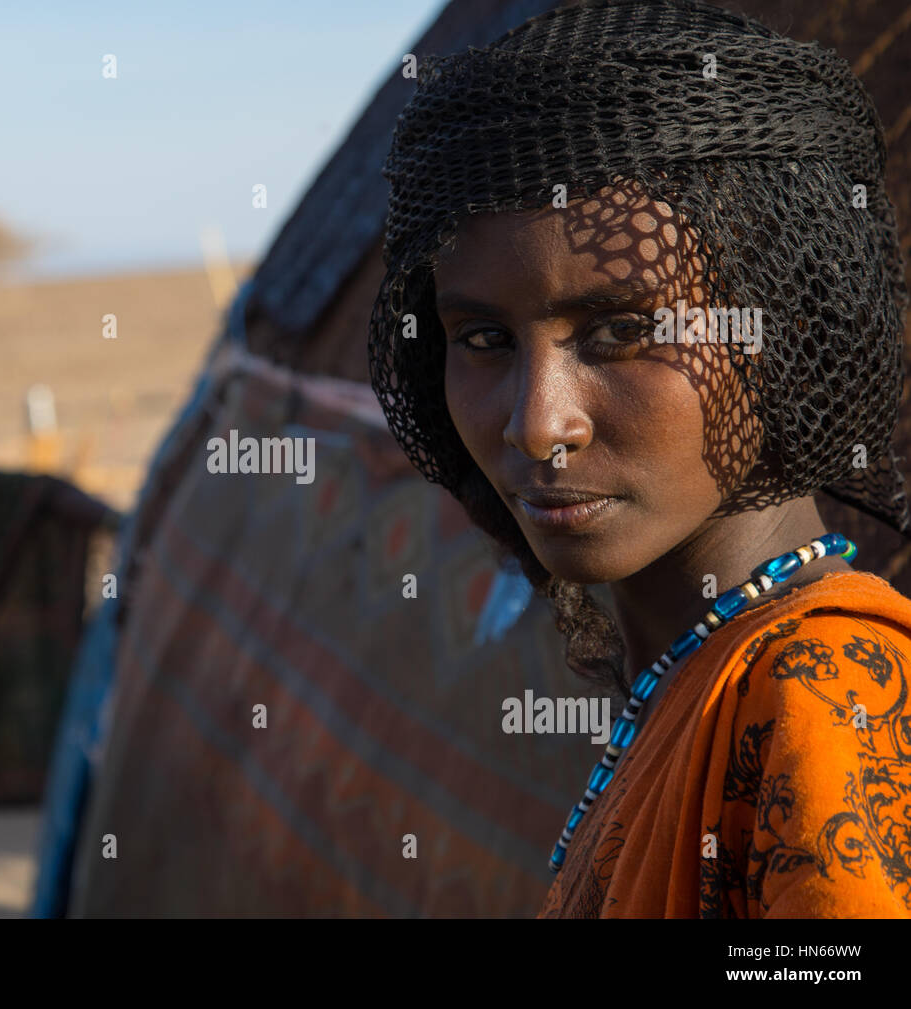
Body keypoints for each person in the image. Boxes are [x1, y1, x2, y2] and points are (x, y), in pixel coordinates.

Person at [368, 0, 911, 916]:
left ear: (791, 333)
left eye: (622, 330)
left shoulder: (822, 696)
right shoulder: (694, 676)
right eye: (486, 338)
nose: (539, 425)